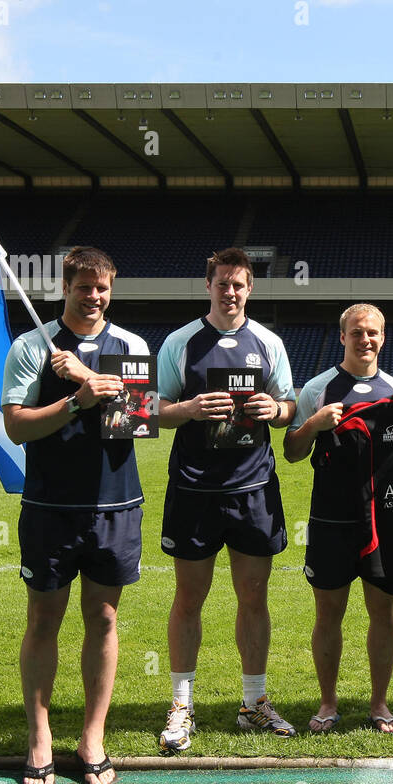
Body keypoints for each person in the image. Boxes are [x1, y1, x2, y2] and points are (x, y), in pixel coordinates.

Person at [1, 246, 147, 784]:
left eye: (102, 288)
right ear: (66, 288)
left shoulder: (130, 346)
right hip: (50, 507)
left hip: (115, 505)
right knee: (44, 620)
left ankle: (92, 736)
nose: (93, 296)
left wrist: (89, 376)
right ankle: (39, 735)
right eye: (84, 287)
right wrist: (75, 400)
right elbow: (17, 427)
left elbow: (140, 420)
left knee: (104, 619)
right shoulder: (31, 348)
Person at [155, 247, 299, 752]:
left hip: (252, 488)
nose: (231, 292)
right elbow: (154, 413)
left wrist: (275, 408)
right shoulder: (181, 343)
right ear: (209, 286)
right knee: (189, 597)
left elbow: (289, 406)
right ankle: (181, 705)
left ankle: (253, 703)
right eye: (222, 284)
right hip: (194, 488)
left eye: (239, 285)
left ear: (250, 288)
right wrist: (190, 408)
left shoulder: (269, 342)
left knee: (253, 597)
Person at [283, 304, 393, 733]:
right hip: (331, 519)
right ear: (342, 337)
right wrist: (314, 425)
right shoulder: (318, 389)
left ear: (383, 337)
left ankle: (379, 704)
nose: (365, 340)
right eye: (357, 333)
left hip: (383, 520)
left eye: (373, 332)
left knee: (383, 612)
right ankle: (327, 703)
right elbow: (292, 451)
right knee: (328, 612)